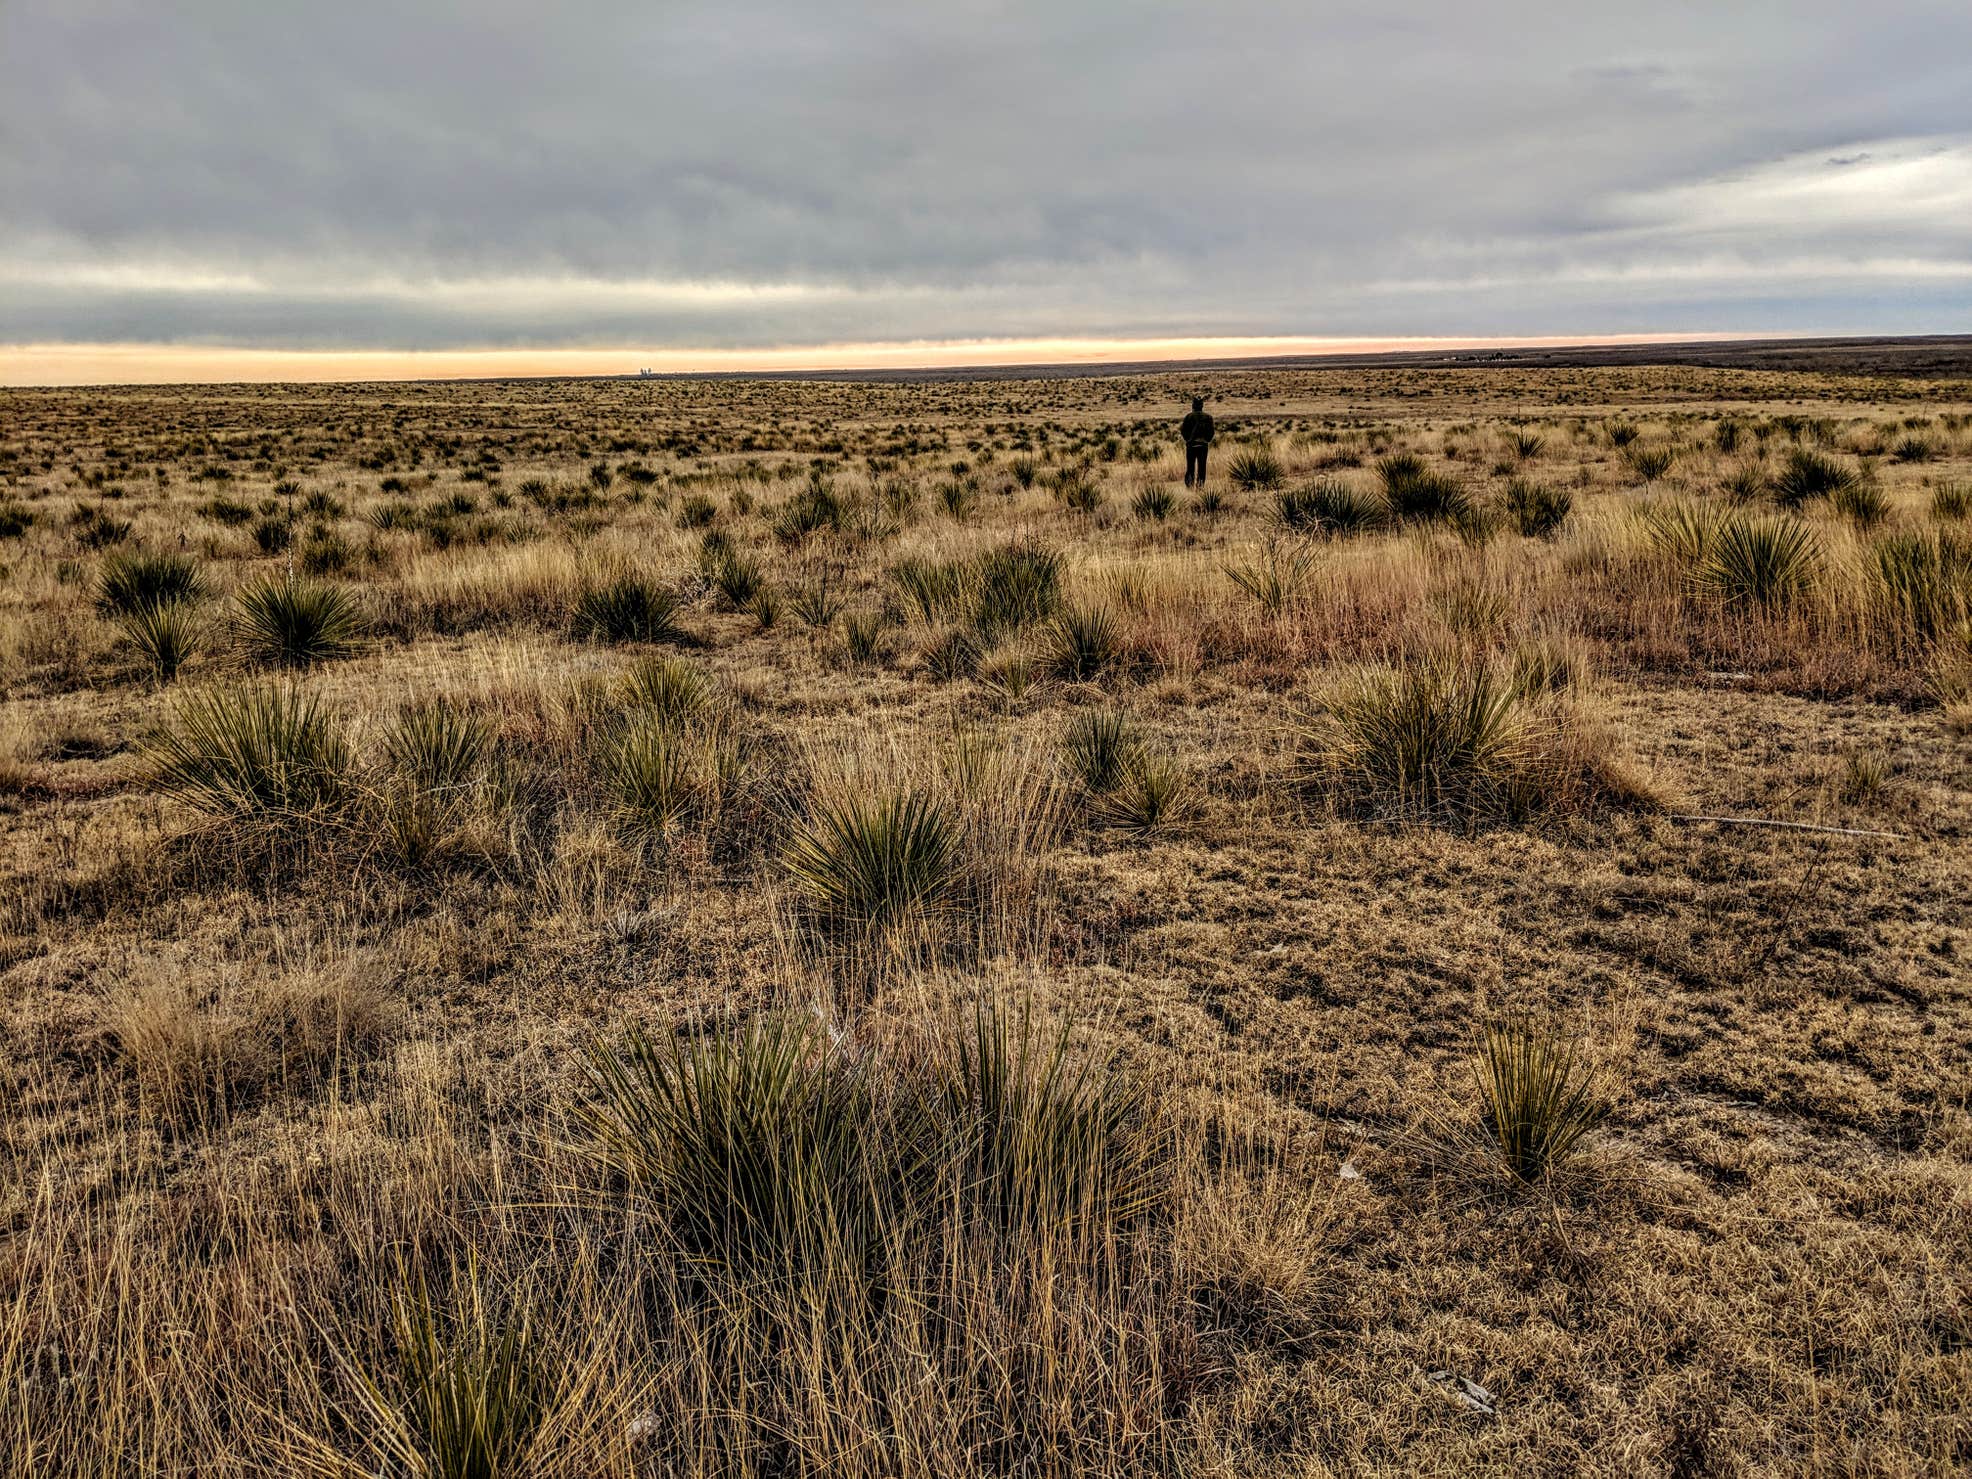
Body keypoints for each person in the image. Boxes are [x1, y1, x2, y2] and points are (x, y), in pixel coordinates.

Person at [1180, 396, 1215, 487]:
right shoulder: (1208, 417)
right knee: (1202, 467)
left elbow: (1183, 431)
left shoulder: (1188, 416)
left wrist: (1188, 440)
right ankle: (1200, 486)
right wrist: (1206, 440)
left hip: (1191, 446)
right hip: (1203, 446)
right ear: (1202, 406)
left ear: (1193, 406)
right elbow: (1211, 432)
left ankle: (1189, 486)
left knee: (1190, 467)